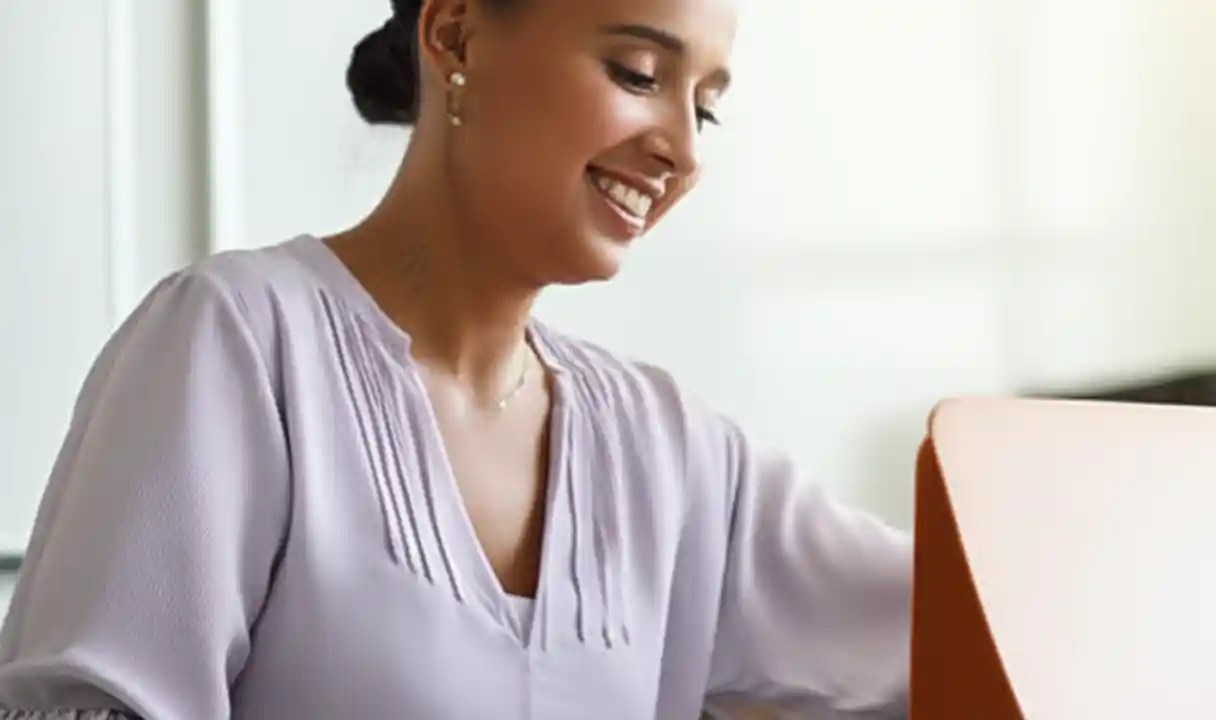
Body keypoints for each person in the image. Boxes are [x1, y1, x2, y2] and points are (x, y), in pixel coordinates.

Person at [0, 0, 911, 717]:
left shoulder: (671, 451)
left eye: (705, 110)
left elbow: (974, 619)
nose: (679, 147)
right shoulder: (238, 345)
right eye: (638, 74)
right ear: (457, 34)